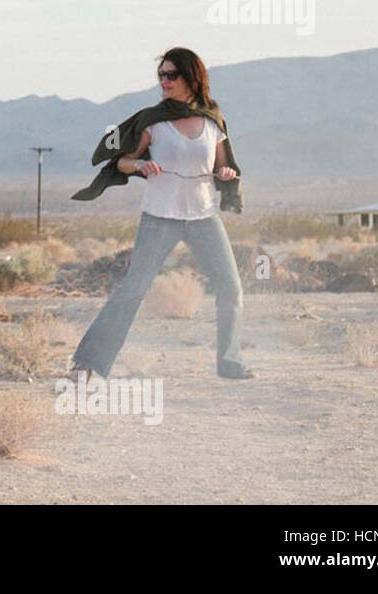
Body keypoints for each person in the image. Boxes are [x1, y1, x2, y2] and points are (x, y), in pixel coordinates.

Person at [69, 47, 253, 380]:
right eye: (162, 75)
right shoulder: (153, 121)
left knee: (230, 286)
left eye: (172, 75)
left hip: (203, 216)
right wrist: (139, 164)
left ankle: (230, 361)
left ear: (191, 77)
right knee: (133, 289)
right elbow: (121, 161)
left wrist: (225, 175)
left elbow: (222, 165)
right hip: (160, 217)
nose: (165, 81)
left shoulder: (213, 119)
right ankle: (88, 364)